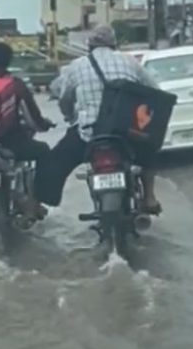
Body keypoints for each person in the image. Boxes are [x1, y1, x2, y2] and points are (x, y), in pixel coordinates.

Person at [31, 25, 165, 215]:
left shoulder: (76, 66)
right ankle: (149, 197)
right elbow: (154, 90)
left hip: (89, 133)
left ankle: (38, 203)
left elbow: (64, 97)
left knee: (54, 162)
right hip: (125, 132)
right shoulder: (129, 62)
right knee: (148, 152)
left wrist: (70, 117)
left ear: (89, 45)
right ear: (114, 44)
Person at [0, 41, 53, 164]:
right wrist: (44, 125)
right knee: (44, 149)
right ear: (9, 61)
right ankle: (42, 178)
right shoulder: (16, 86)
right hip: (11, 144)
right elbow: (33, 119)